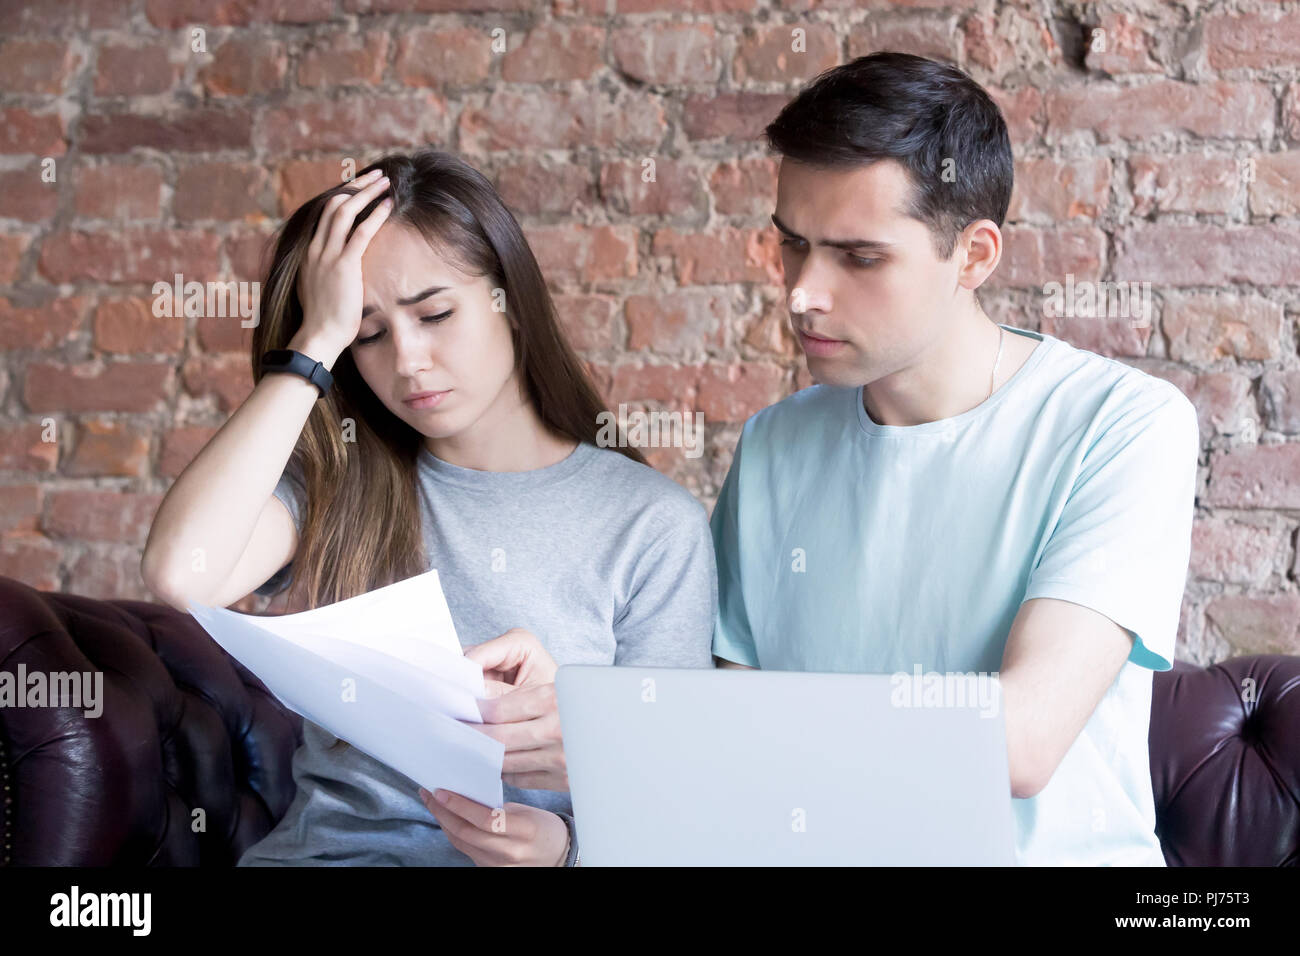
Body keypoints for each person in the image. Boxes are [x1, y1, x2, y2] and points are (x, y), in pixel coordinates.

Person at [140, 149, 717, 866]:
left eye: (436, 313)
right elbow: (181, 573)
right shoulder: (340, 484)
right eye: (370, 333)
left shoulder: (651, 525)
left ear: (510, 299)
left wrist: (567, 851)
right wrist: (315, 342)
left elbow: (676, 802)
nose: (407, 360)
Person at [709, 52, 1198, 866]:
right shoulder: (773, 445)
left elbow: (1022, 740)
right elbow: (723, 731)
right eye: (794, 245)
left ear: (974, 256)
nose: (802, 292)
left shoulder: (1124, 426)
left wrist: (735, 720)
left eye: (858, 257)